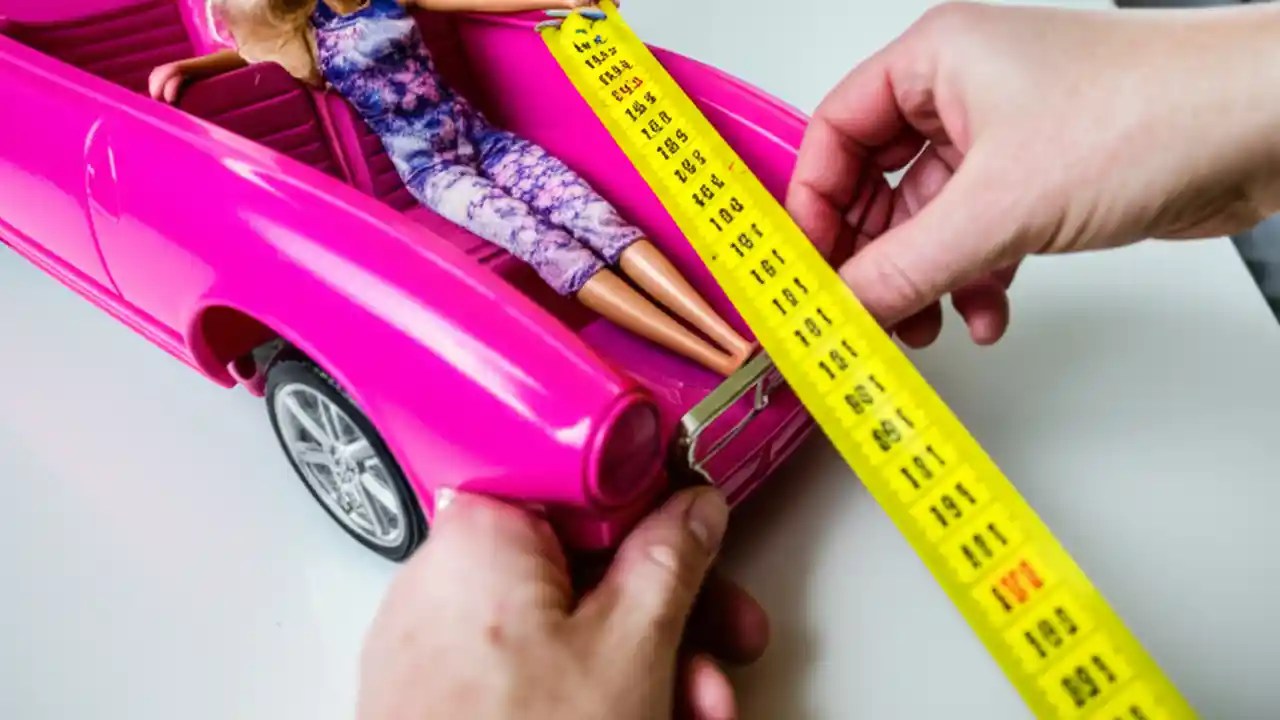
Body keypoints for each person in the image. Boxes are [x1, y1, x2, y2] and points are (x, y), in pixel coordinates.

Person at [355, 1, 1280, 717]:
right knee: (557, 249)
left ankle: (724, 340)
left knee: (598, 218)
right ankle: (724, 340)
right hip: (436, 174)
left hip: (489, 139)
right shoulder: (292, 35)